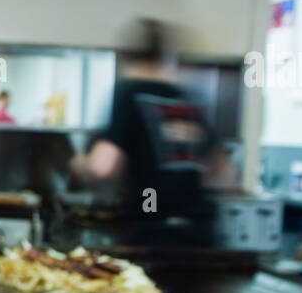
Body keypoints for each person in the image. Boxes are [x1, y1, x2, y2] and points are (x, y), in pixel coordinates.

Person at [70, 18, 235, 246]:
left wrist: (79, 164)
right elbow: (225, 174)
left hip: (154, 233)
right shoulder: (186, 98)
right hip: (200, 233)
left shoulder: (129, 93)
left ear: (125, 56)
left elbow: (103, 167)